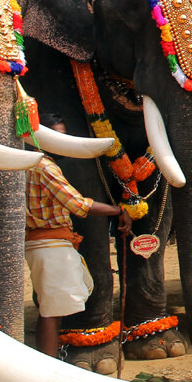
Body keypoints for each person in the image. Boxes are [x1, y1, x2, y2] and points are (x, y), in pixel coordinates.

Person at [25, 115, 133, 358]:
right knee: (51, 313)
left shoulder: (28, 164)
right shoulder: (45, 167)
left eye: (64, 136)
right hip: (51, 246)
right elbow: (77, 204)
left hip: (41, 244)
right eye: (56, 137)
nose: (62, 143)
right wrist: (118, 210)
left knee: (50, 309)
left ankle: (49, 360)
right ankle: (49, 365)